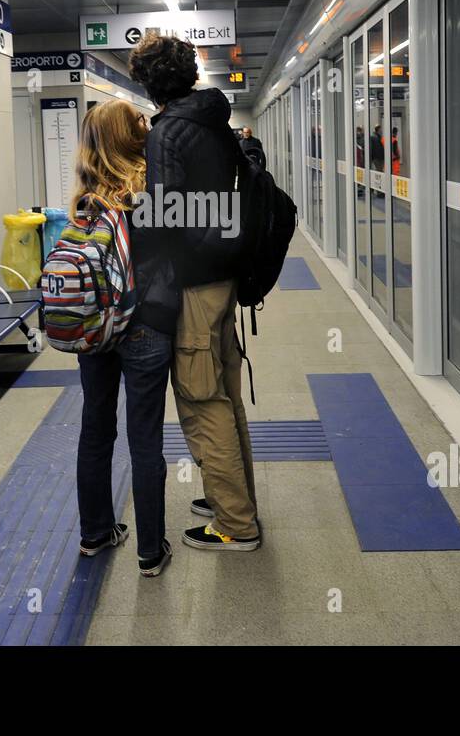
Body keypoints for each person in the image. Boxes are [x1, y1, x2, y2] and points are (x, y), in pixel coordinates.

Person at [129, 33, 260, 552]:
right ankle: (234, 497)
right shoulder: (213, 119)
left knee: (202, 399)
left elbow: (165, 215)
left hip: (196, 281)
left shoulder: (168, 133)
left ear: (147, 82)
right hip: (224, 271)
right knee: (224, 391)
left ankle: (235, 523)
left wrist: (129, 218)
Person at [71, 99, 175, 577]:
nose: (146, 122)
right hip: (147, 326)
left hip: (96, 327)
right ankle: (150, 552)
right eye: (137, 118)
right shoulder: (152, 192)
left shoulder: (84, 201)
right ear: (124, 134)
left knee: (96, 426)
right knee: (145, 436)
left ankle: (95, 533)